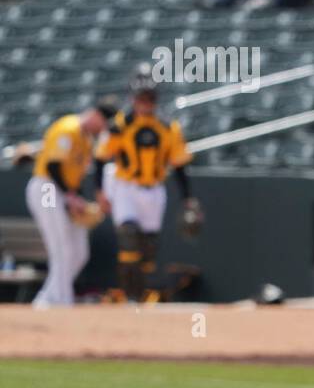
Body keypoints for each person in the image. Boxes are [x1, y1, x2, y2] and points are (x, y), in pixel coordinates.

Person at [95, 69, 197, 304]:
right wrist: (100, 191)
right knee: (129, 237)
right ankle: (130, 296)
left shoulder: (168, 128)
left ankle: (140, 296)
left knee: (149, 247)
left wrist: (187, 198)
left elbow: (179, 165)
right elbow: (101, 158)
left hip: (154, 190)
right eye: (141, 97)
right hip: (126, 187)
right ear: (133, 98)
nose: (145, 103)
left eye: (149, 97)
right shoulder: (119, 126)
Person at [24, 100, 113, 307]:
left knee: (79, 251)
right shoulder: (68, 128)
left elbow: (74, 174)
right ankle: (62, 301)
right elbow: (53, 166)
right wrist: (70, 196)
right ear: (96, 115)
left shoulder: (87, 140)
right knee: (61, 246)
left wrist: (76, 199)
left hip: (64, 192)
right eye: (104, 123)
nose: (103, 129)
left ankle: (47, 297)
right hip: (47, 186)